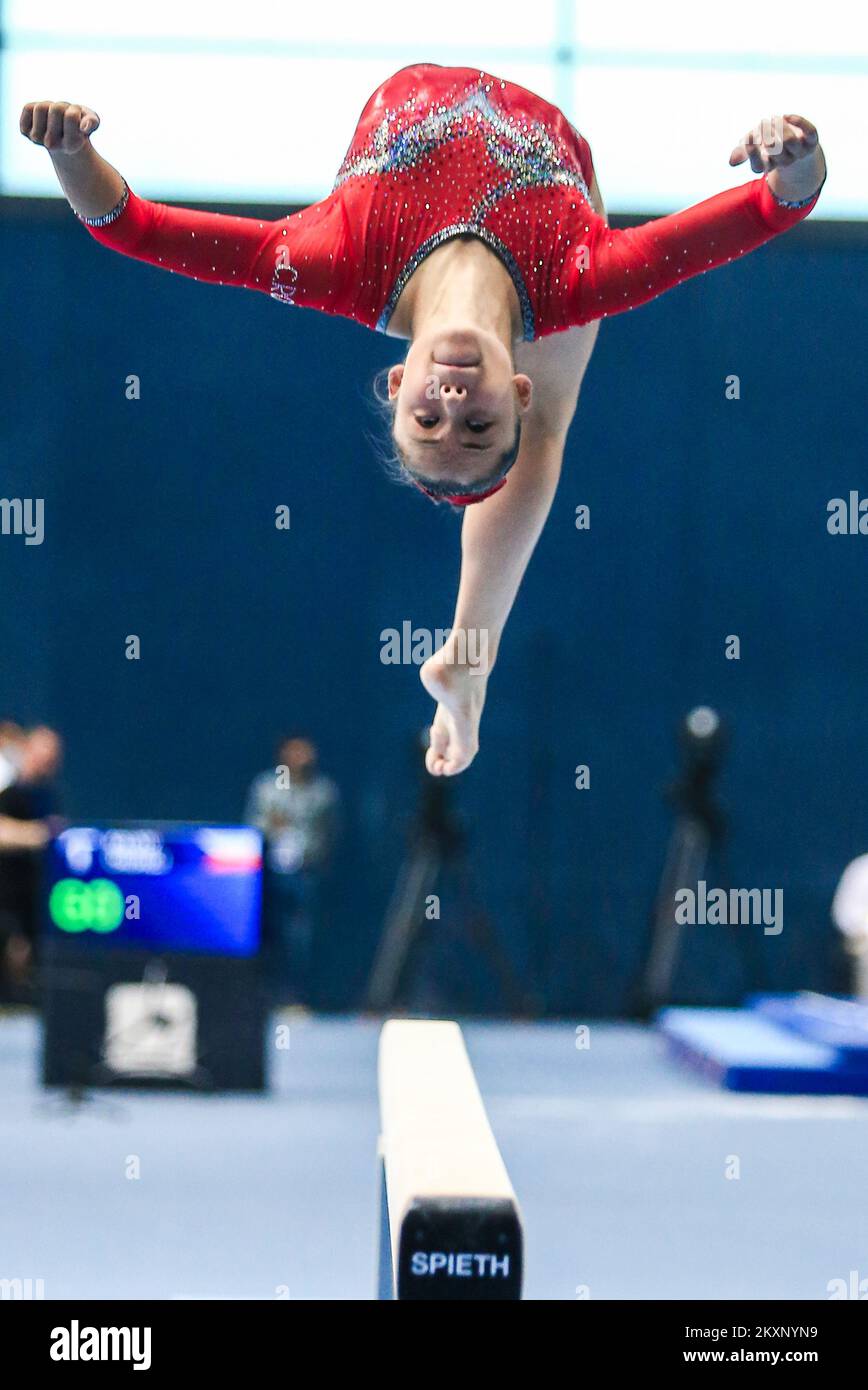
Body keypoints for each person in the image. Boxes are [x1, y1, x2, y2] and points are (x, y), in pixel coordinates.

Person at [20, 65, 827, 777]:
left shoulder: (334, 262)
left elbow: (131, 229)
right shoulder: (586, 277)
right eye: (475, 423)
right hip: (552, 246)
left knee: (527, 438)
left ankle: (470, 657)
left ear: (397, 381)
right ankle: (472, 657)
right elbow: (783, 205)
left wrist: (68, 152)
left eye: (427, 419)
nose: (451, 403)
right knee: (548, 419)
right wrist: (792, 151)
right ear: (509, 389)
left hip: (418, 195)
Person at [244, 737, 339, 1003]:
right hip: (269, 876)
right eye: (294, 751)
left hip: (305, 874)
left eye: (305, 751)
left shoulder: (323, 792)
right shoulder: (266, 788)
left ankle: (293, 997)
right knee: (265, 934)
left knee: (299, 938)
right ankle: (260, 996)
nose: (301, 756)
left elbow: (326, 835)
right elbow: (253, 827)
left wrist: (308, 851)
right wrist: (273, 828)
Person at [0, 725, 64, 1000]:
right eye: (40, 753)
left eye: (51, 759)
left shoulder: (44, 797)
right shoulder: (6, 782)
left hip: (24, 903)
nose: (44, 763)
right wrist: (37, 834)